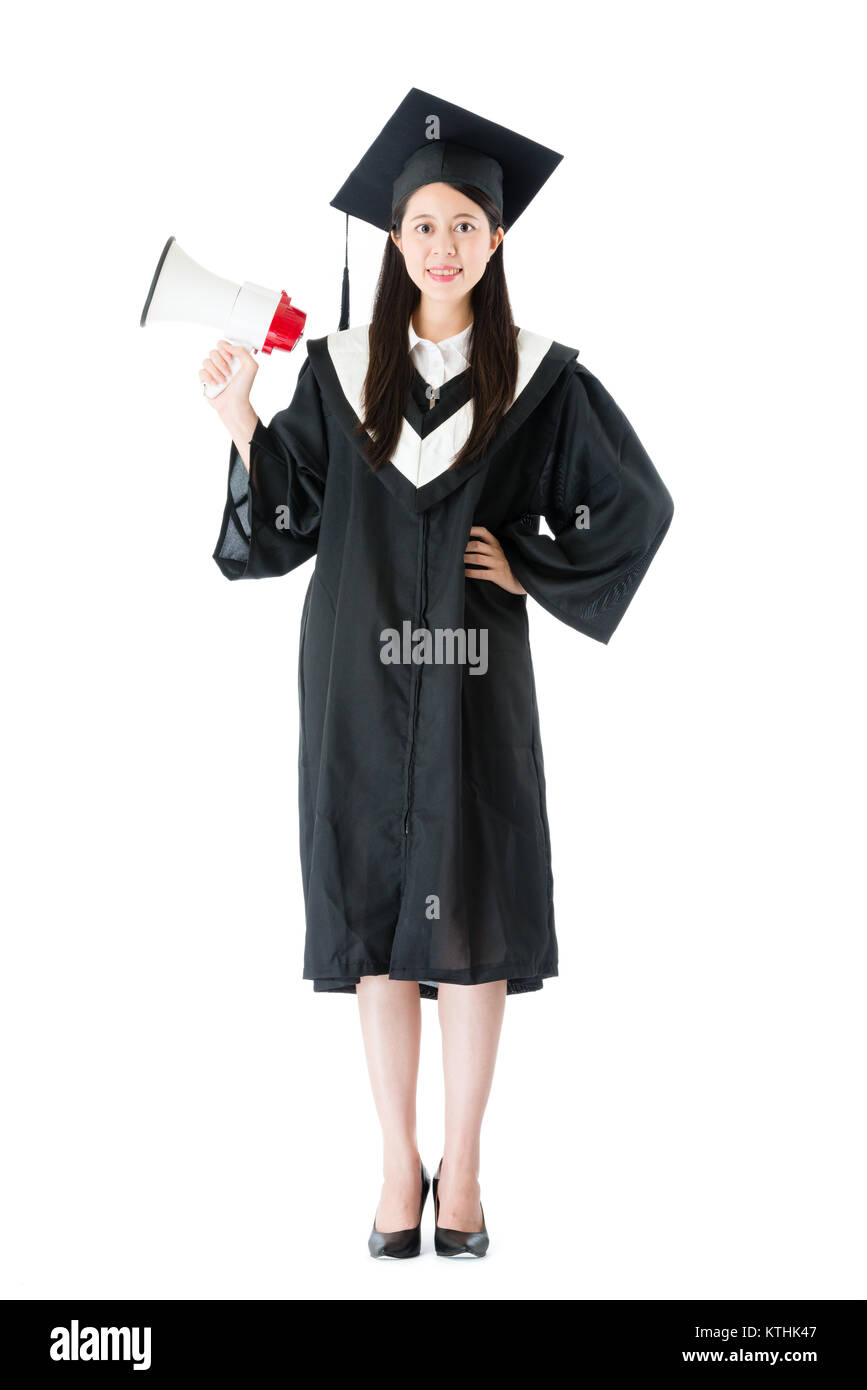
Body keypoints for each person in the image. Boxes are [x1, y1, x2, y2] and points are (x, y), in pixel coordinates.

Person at [202, 89, 675, 1259]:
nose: (444, 245)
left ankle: (463, 1167)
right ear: (396, 238)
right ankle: (393, 1167)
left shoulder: (542, 382)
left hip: (472, 690)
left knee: (465, 924)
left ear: (498, 238)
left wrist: (535, 569)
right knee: (377, 926)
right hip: (358, 686)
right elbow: (283, 526)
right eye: (424, 225)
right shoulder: (338, 371)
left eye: (467, 224)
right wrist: (239, 420)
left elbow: (640, 507)